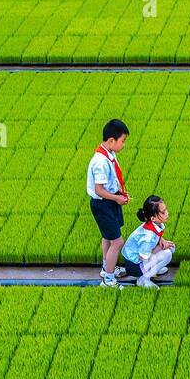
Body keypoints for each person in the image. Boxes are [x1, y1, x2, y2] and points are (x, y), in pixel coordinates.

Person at [88, 119, 130, 288]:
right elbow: (99, 190)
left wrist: (119, 194)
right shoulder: (100, 161)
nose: (123, 145)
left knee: (108, 237)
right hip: (103, 204)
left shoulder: (109, 155)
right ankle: (108, 280)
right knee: (118, 242)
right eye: (122, 141)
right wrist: (117, 198)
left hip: (110, 201)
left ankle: (107, 267)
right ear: (111, 141)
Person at [121, 196, 176, 288]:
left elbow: (156, 235)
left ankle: (154, 269)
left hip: (139, 259)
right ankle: (143, 279)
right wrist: (160, 247)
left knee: (171, 247)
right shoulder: (148, 237)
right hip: (135, 265)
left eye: (166, 210)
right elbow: (143, 257)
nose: (167, 213)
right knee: (167, 254)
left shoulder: (153, 223)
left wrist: (162, 240)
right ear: (153, 218)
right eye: (163, 212)